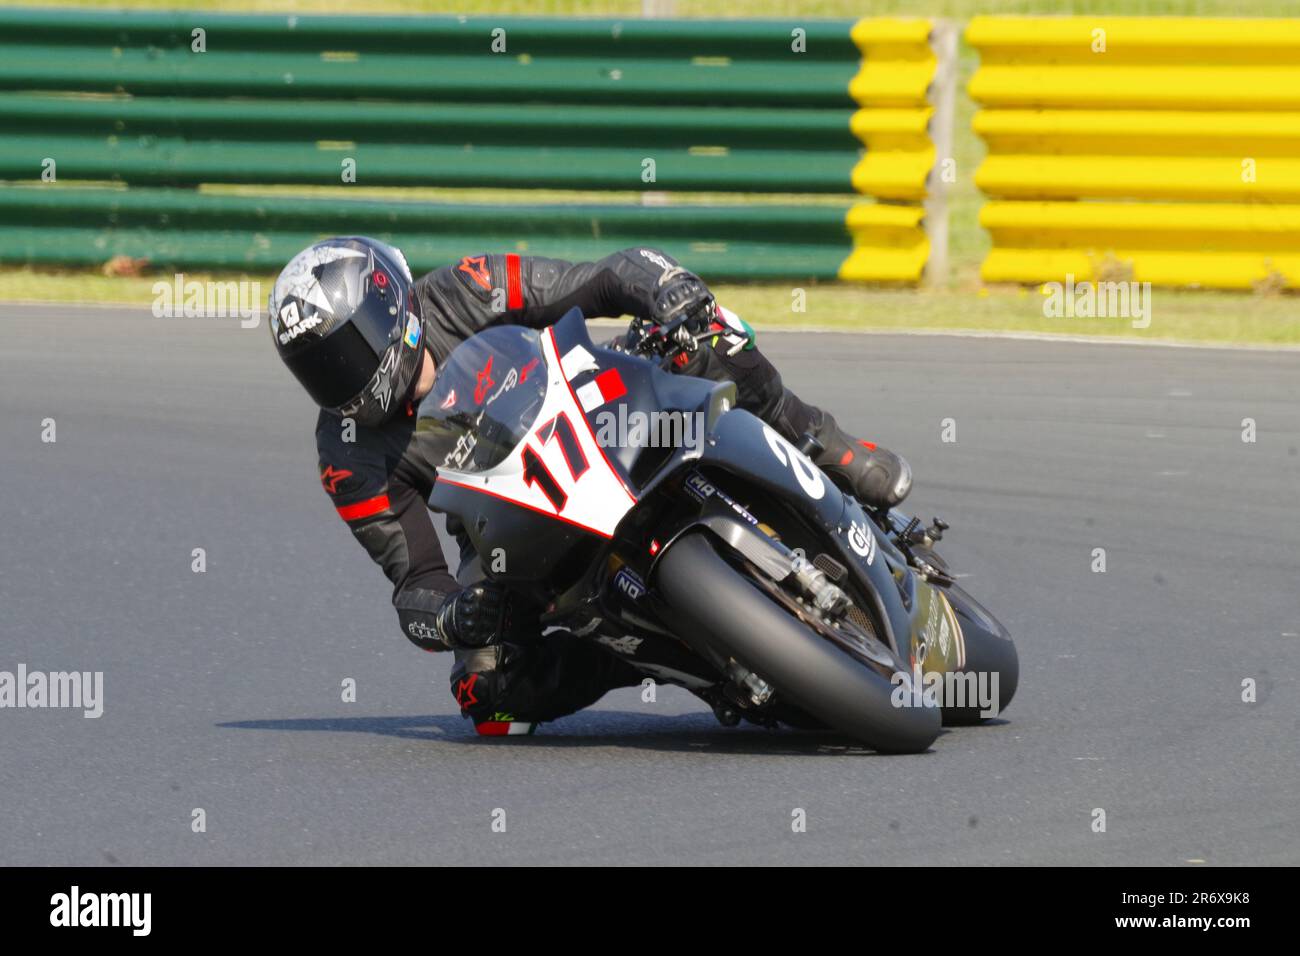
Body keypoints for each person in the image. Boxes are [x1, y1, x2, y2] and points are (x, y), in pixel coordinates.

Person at [270, 237, 912, 735]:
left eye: (346, 349)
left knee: (706, 334)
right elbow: (415, 582)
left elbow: (603, 277)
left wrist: (667, 289)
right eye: (319, 369)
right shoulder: (346, 456)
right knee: (490, 700)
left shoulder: (466, 287)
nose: (341, 377)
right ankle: (657, 651)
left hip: (596, 407)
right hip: (507, 529)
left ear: (388, 306)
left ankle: (827, 445)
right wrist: (452, 615)